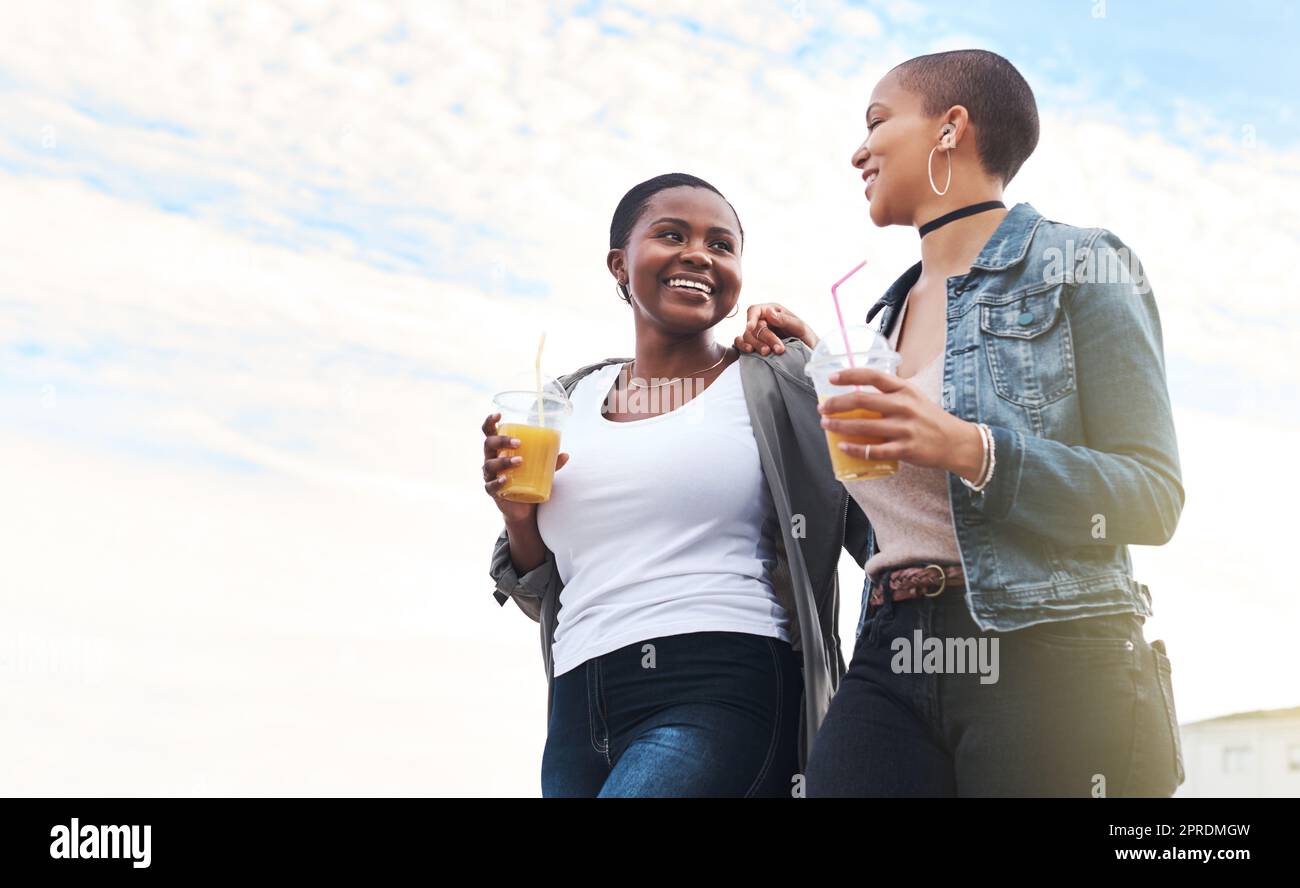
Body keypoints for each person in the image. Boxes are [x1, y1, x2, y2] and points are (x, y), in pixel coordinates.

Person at [737, 50, 1187, 797]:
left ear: (951, 129)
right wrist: (807, 366)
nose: (859, 150)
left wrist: (967, 448)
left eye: (878, 122)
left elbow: (1151, 497)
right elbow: (888, 519)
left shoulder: (1081, 263)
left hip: (1050, 650)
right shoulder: (880, 322)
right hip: (890, 648)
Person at [483, 173, 870, 797]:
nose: (699, 254)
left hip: (724, 679)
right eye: (671, 234)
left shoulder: (775, 380)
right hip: (579, 698)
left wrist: (823, 366)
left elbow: (880, 511)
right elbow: (545, 585)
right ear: (619, 263)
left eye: (721, 245)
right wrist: (518, 518)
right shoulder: (564, 402)